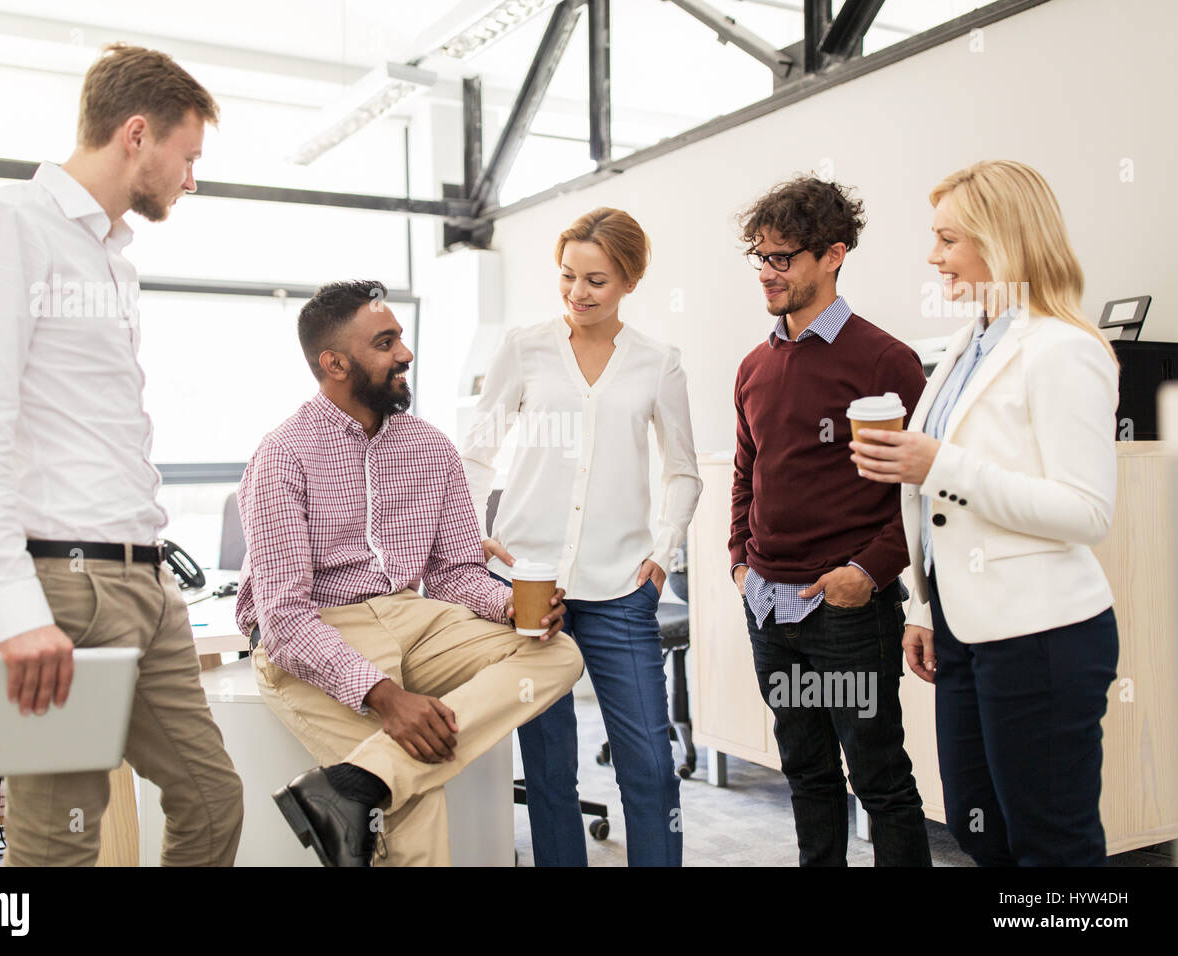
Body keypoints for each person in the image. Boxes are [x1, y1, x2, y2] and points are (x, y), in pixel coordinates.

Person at [0, 44, 243, 866]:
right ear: (137, 133)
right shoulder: (6, 227)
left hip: (147, 581)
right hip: (66, 588)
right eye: (188, 157)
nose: (191, 180)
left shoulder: (109, 258)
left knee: (213, 800)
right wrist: (16, 613)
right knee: (61, 838)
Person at [238, 280, 584, 867]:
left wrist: (506, 606)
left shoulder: (430, 447)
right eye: (385, 342)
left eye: (400, 337)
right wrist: (386, 697)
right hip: (316, 629)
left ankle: (356, 784)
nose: (406, 353)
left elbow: (454, 573)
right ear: (335, 363)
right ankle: (379, 784)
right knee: (414, 802)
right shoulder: (284, 454)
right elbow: (284, 617)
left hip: (411, 613)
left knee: (557, 655)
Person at [851, 160, 1120, 866]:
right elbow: (941, 506)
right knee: (980, 832)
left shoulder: (1062, 349)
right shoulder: (968, 347)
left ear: (1002, 239)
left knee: (1051, 845)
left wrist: (940, 463)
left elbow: (1086, 511)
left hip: (1042, 637)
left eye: (947, 239)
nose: (932, 256)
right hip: (966, 633)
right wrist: (922, 609)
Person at [461, 207, 702, 867]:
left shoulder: (657, 363)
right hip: (527, 587)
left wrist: (662, 554)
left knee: (651, 768)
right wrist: (469, 533)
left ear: (628, 279)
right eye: (567, 276)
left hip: (621, 588)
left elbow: (684, 471)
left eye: (596, 279)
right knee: (548, 769)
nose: (578, 292)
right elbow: (477, 451)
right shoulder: (524, 347)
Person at [730, 176, 932, 866]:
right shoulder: (754, 365)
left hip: (847, 615)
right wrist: (739, 561)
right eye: (759, 256)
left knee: (880, 781)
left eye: (783, 257)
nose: (767, 271)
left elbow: (926, 495)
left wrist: (864, 574)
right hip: (769, 609)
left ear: (834, 254)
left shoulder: (885, 360)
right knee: (807, 775)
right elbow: (745, 471)